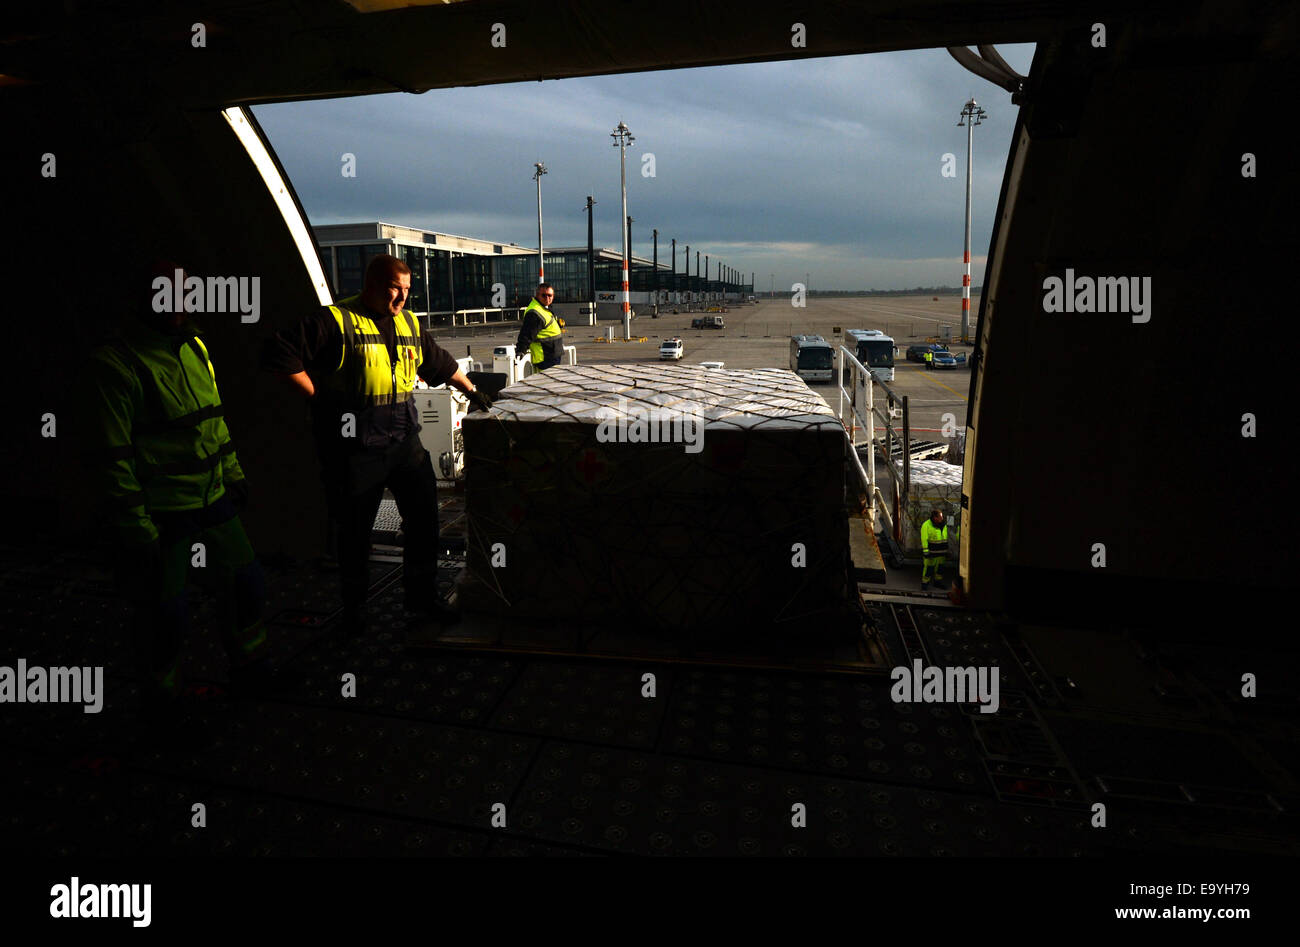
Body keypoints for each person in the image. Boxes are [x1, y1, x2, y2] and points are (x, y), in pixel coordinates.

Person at [87, 259, 280, 738]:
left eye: (185, 294)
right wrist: (135, 527)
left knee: (246, 584)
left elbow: (212, 420)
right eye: (166, 294)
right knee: (165, 614)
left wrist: (233, 473)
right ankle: (161, 701)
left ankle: (248, 670)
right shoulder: (116, 363)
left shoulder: (194, 345)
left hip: (212, 497)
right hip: (163, 513)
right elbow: (113, 454)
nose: (179, 304)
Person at [263, 253, 492, 636]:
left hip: (404, 442)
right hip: (355, 451)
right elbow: (278, 353)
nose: (401, 298)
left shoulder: (408, 324)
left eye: (406, 290)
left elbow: (438, 362)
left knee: (424, 523)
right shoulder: (334, 321)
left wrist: (472, 390)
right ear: (370, 285)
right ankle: (354, 610)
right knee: (354, 534)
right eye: (393, 289)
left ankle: (420, 600)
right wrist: (316, 396)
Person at [515, 283, 563, 371]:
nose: (547, 298)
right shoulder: (535, 312)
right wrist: (521, 349)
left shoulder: (544, 308)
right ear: (537, 295)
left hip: (551, 354)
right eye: (544, 295)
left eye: (550, 295)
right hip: (545, 357)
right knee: (547, 383)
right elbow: (527, 333)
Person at [920, 508, 949, 590]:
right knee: (928, 570)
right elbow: (924, 539)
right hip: (931, 554)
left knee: (940, 570)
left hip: (941, 554)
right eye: (940, 517)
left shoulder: (943, 525)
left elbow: (945, 538)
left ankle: (937, 583)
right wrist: (926, 552)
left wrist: (946, 551)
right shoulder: (926, 525)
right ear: (935, 518)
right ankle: (924, 584)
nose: (942, 519)